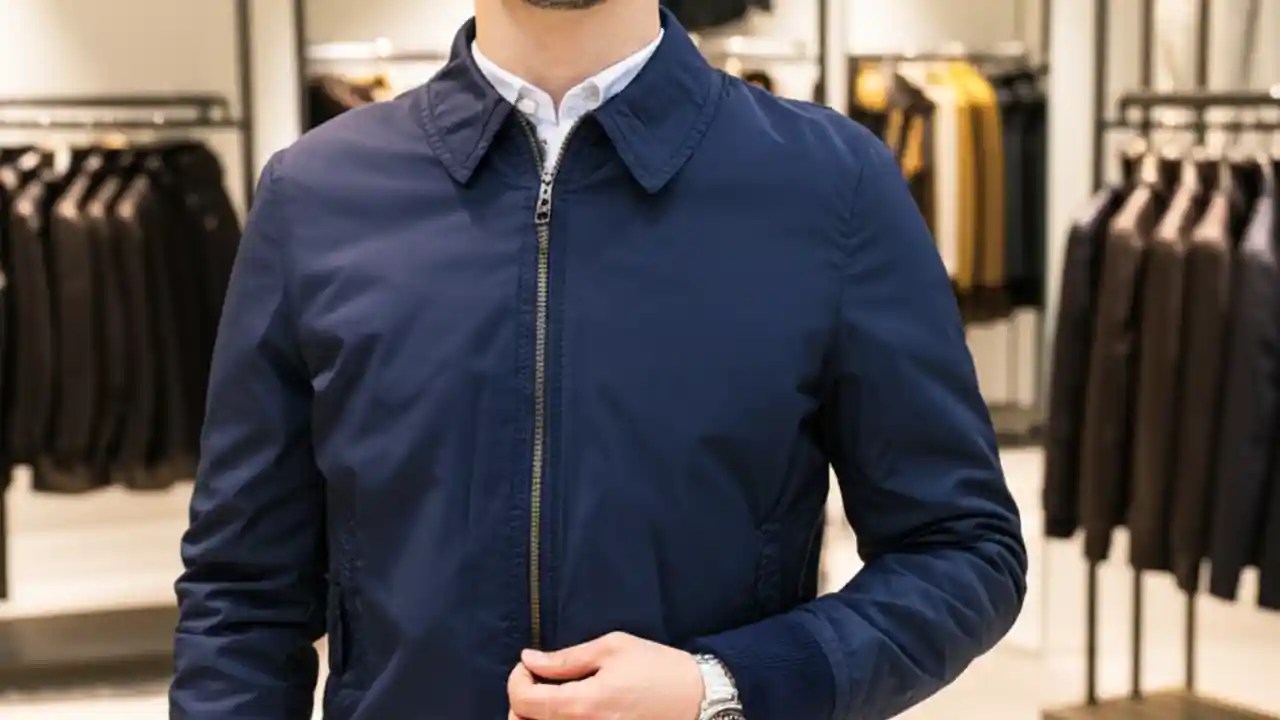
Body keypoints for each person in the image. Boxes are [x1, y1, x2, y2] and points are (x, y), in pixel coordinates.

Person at [170, 0, 1028, 718]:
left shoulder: (830, 185)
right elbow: (242, 592)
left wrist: (722, 685)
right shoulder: (317, 195)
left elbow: (961, 548)